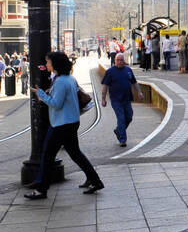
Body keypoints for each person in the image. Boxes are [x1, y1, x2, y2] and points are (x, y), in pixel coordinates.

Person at [25, 51, 103, 198]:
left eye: (48, 62)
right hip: (71, 122)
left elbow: (56, 104)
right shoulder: (69, 78)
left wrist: (41, 95)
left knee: (48, 155)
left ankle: (41, 189)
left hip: (61, 124)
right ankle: (96, 180)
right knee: (75, 154)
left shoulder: (60, 81)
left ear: (55, 64)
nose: (46, 64)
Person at [101, 51, 144, 147]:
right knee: (121, 118)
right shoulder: (110, 72)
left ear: (124, 61)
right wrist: (103, 99)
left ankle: (118, 130)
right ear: (114, 61)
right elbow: (105, 86)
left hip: (127, 99)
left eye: (121, 60)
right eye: (118, 60)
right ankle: (122, 139)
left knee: (129, 117)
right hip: (116, 100)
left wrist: (139, 92)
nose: (120, 62)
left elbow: (134, 82)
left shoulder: (128, 70)